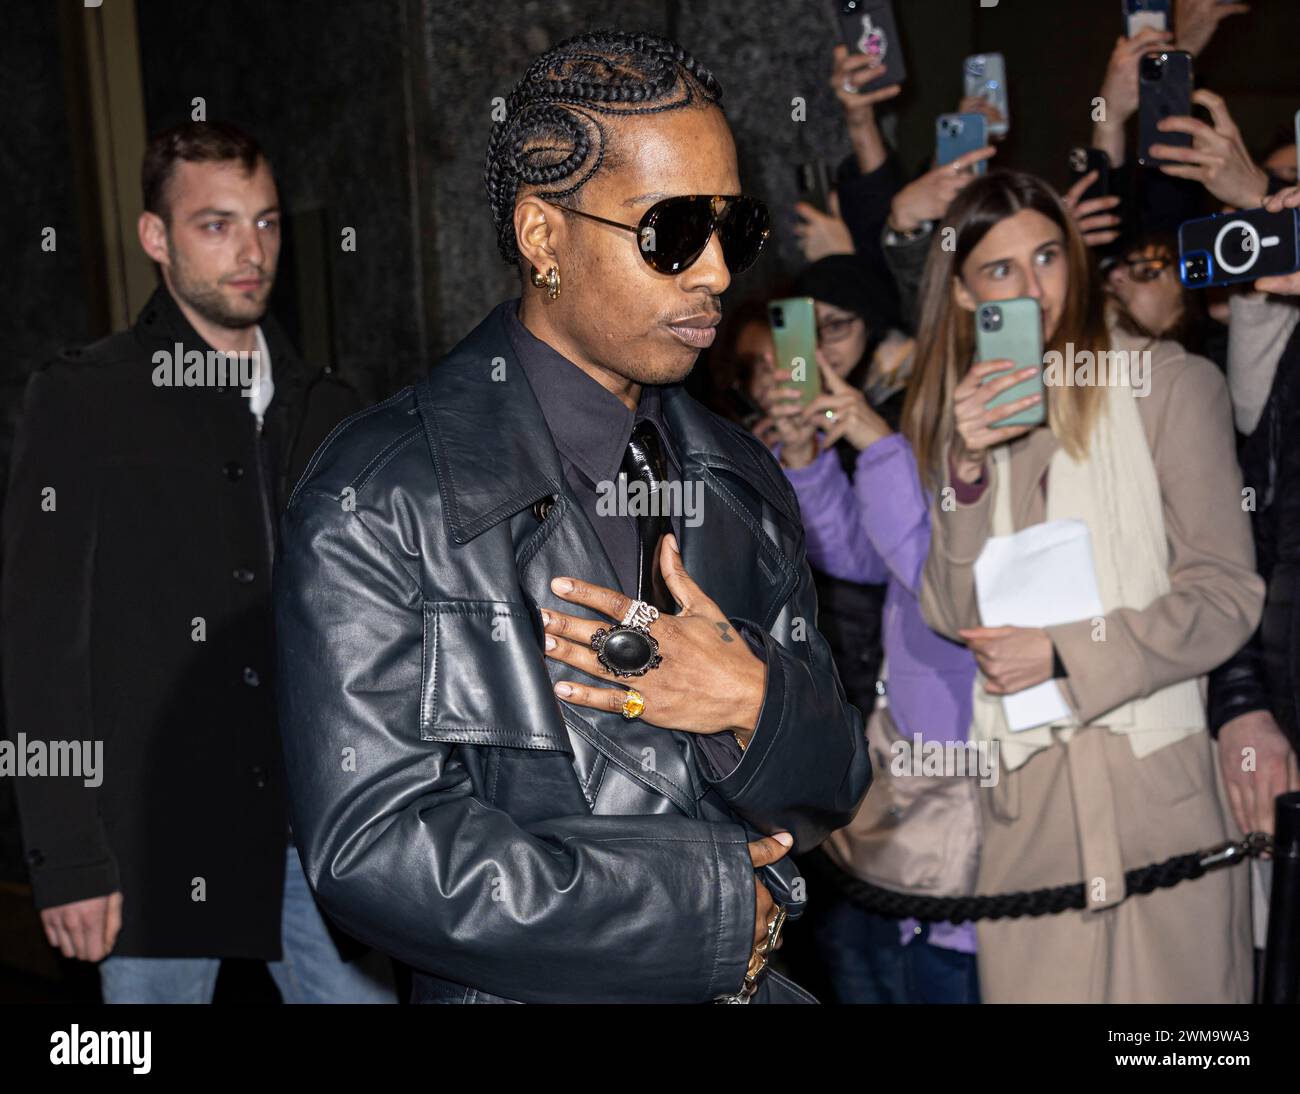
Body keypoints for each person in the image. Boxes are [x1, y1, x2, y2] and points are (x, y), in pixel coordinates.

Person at [273, 29, 872, 1005]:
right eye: (673, 230)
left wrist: (750, 703)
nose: (717, 270)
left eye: (736, 229)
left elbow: (836, 779)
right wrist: (710, 913)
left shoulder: (740, 474)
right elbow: (368, 846)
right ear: (543, 236)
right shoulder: (379, 496)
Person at [2, 121, 389, 1003]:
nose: (251, 251)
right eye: (216, 225)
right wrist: (65, 855)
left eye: (266, 223)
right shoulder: (84, 399)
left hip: (320, 828)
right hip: (152, 842)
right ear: (156, 238)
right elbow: (40, 647)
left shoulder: (330, 405)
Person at [912, 169, 1263, 1002]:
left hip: (1155, 796)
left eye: (1048, 257)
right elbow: (952, 612)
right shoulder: (963, 422)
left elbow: (1226, 595)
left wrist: (1069, 654)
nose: (1034, 288)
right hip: (1029, 806)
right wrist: (964, 471)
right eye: (1001, 271)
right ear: (964, 297)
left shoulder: (1168, 384)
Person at [758, 334, 981, 1004]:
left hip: (980, 765)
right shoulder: (929, 438)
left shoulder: (1018, 445)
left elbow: (941, 585)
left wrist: (877, 441)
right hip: (912, 777)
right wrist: (804, 454)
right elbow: (858, 551)